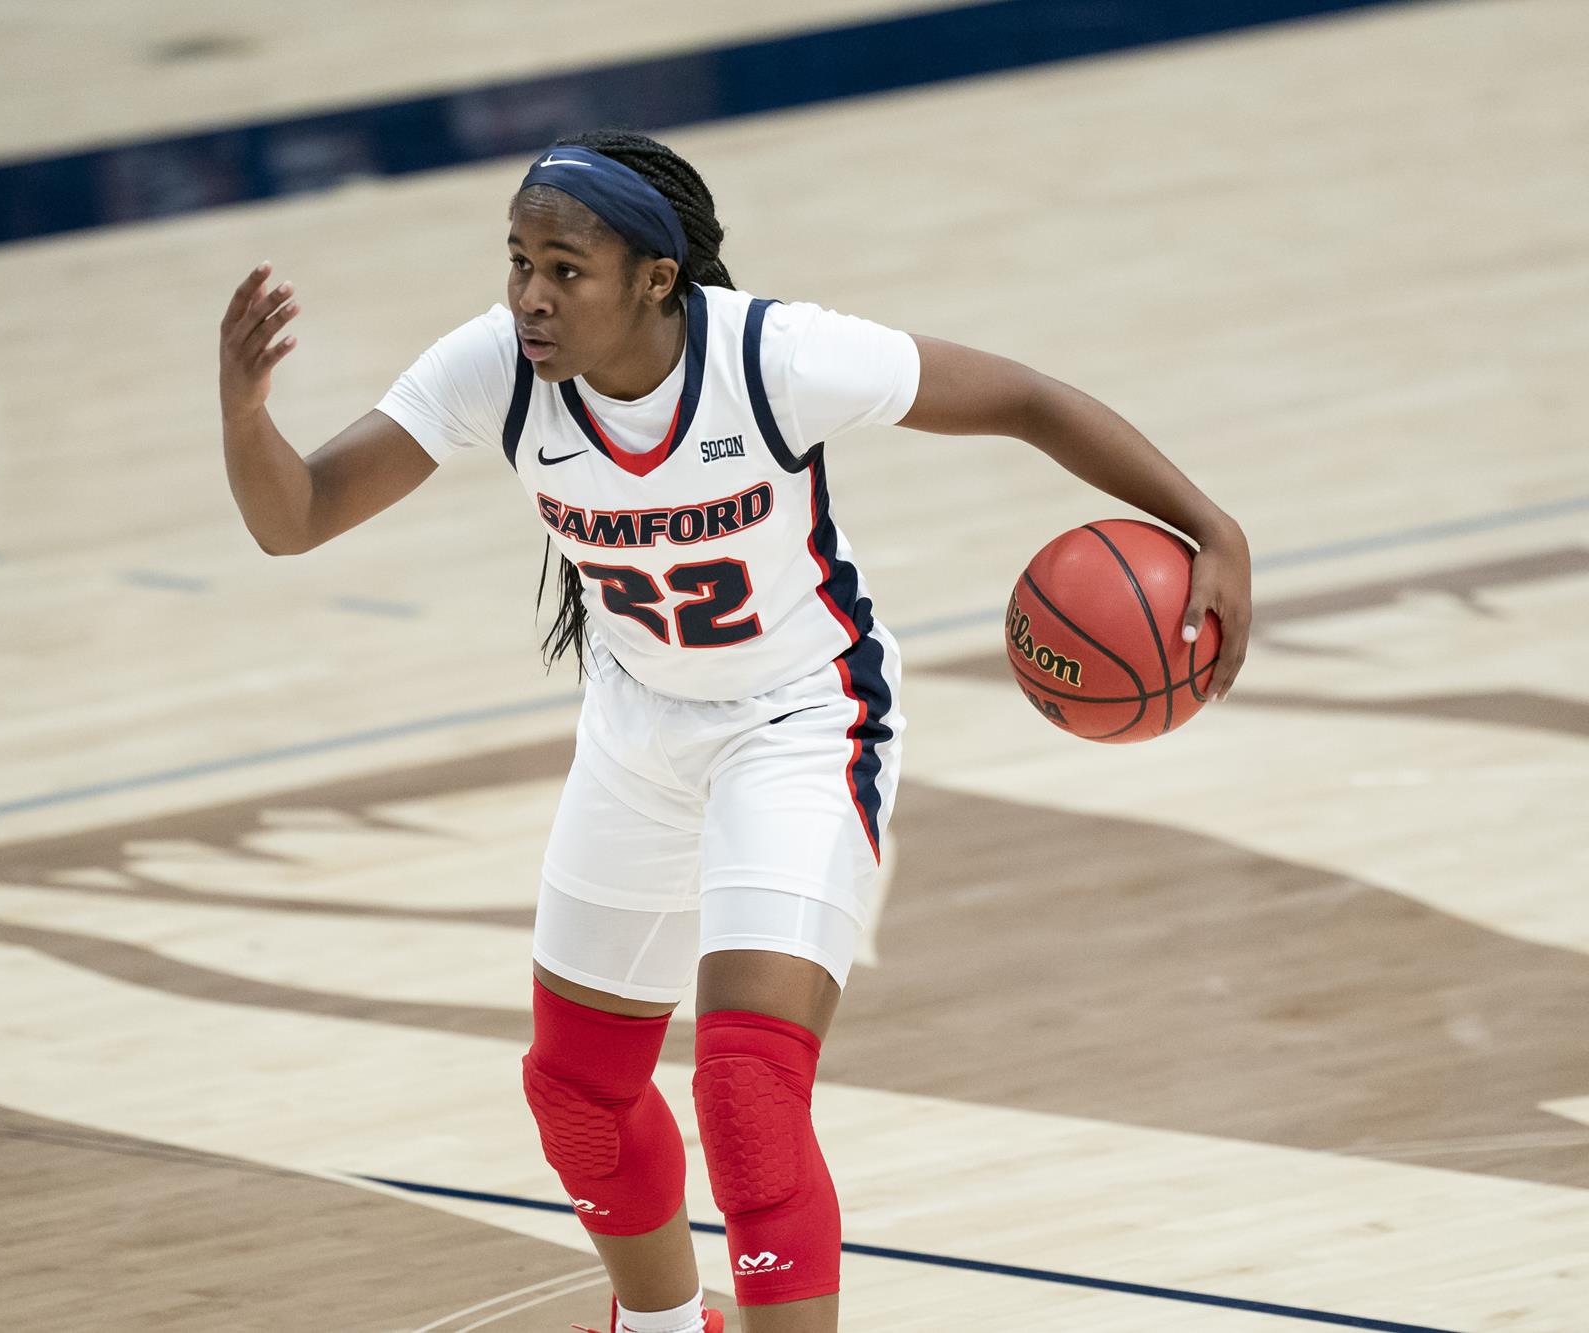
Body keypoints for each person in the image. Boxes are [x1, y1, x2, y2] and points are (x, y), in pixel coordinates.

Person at [216, 130, 1251, 1333]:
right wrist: (244, 411)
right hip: (635, 728)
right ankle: (658, 1327)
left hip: (803, 718)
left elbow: (1022, 398)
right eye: (516, 263)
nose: (529, 297)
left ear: (656, 279)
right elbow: (295, 519)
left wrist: (1206, 525)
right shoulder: (495, 369)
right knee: (576, 1096)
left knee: (748, 1096)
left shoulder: (772, 353)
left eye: (563, 269)